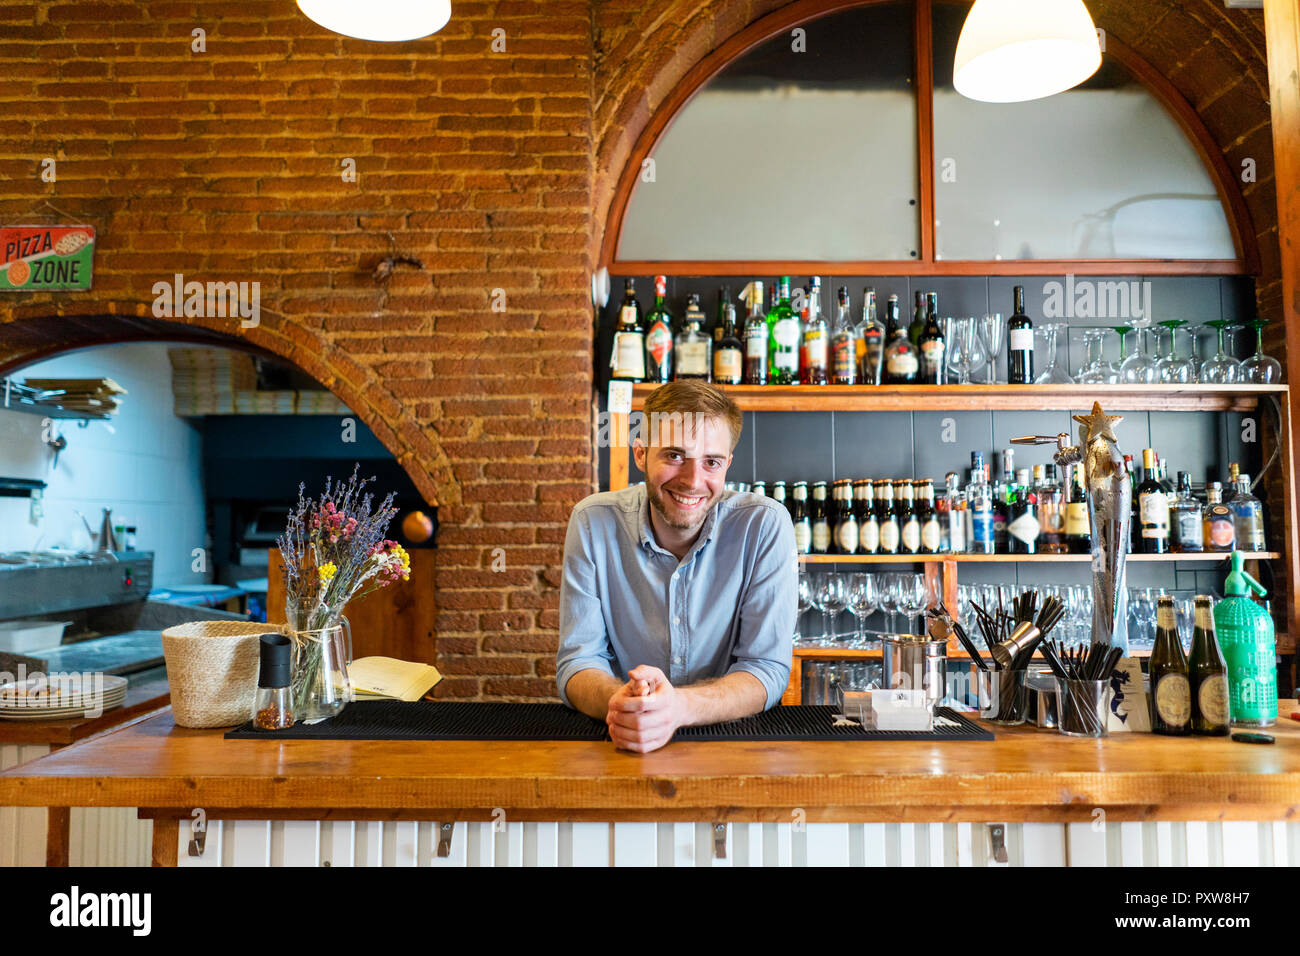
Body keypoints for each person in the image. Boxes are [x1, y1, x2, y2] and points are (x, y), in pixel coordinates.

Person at [556, 380, 797, 753]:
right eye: (673, 455)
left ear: (727, 464)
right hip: (623, 738)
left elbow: (766, 670)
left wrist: (677, 707)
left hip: (736, 748)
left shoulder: (764, 524)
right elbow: (578, 661)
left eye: (711, 462)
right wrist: (625, 701)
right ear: (640, 454)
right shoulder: (593, 521)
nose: (692, 480)